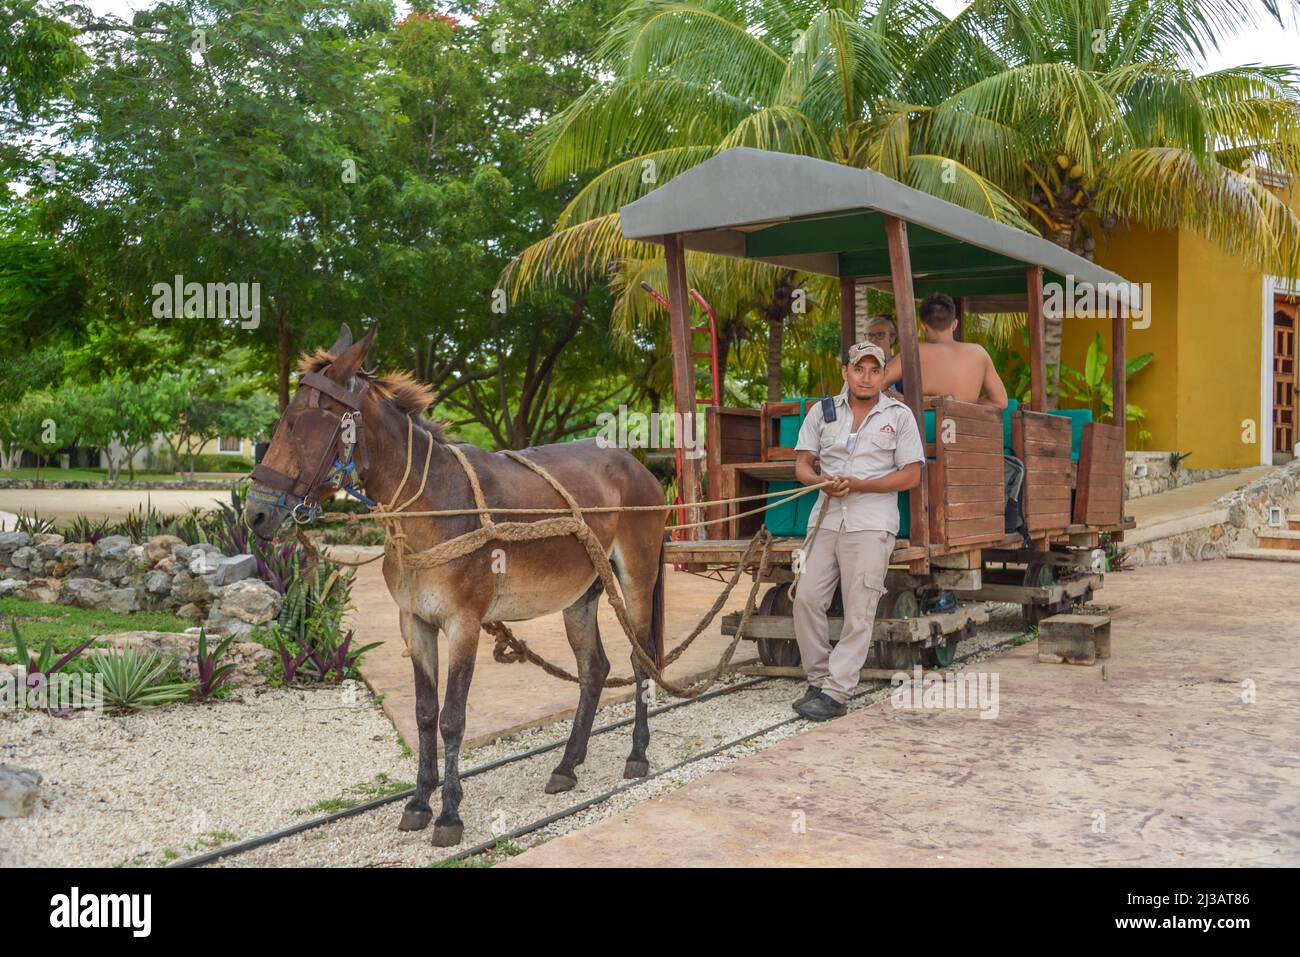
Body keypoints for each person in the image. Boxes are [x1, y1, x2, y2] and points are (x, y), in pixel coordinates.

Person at [789, 341, 924, 720]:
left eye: (874, 370)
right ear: (845, 372)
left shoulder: (899, 416)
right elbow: (801, 464)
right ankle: (818, 680)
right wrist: (819, 480)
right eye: (858, 369)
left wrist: (861, 484)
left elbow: (911, 475)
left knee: (858, 608)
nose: (866, 377)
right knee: (806, 597)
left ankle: (836, 693)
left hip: (871, 523)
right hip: (826, 518)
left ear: (883, 375)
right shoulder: (823, 411)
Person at [882, 293, 1008, 408]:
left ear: (923, 326)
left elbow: (877, 384)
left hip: (924, 430)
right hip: (966, 429)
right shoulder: (979, 353)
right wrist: (967, 405)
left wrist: (900, 398)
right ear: (954, 324)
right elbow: (1000, 402)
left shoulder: (916, 352)